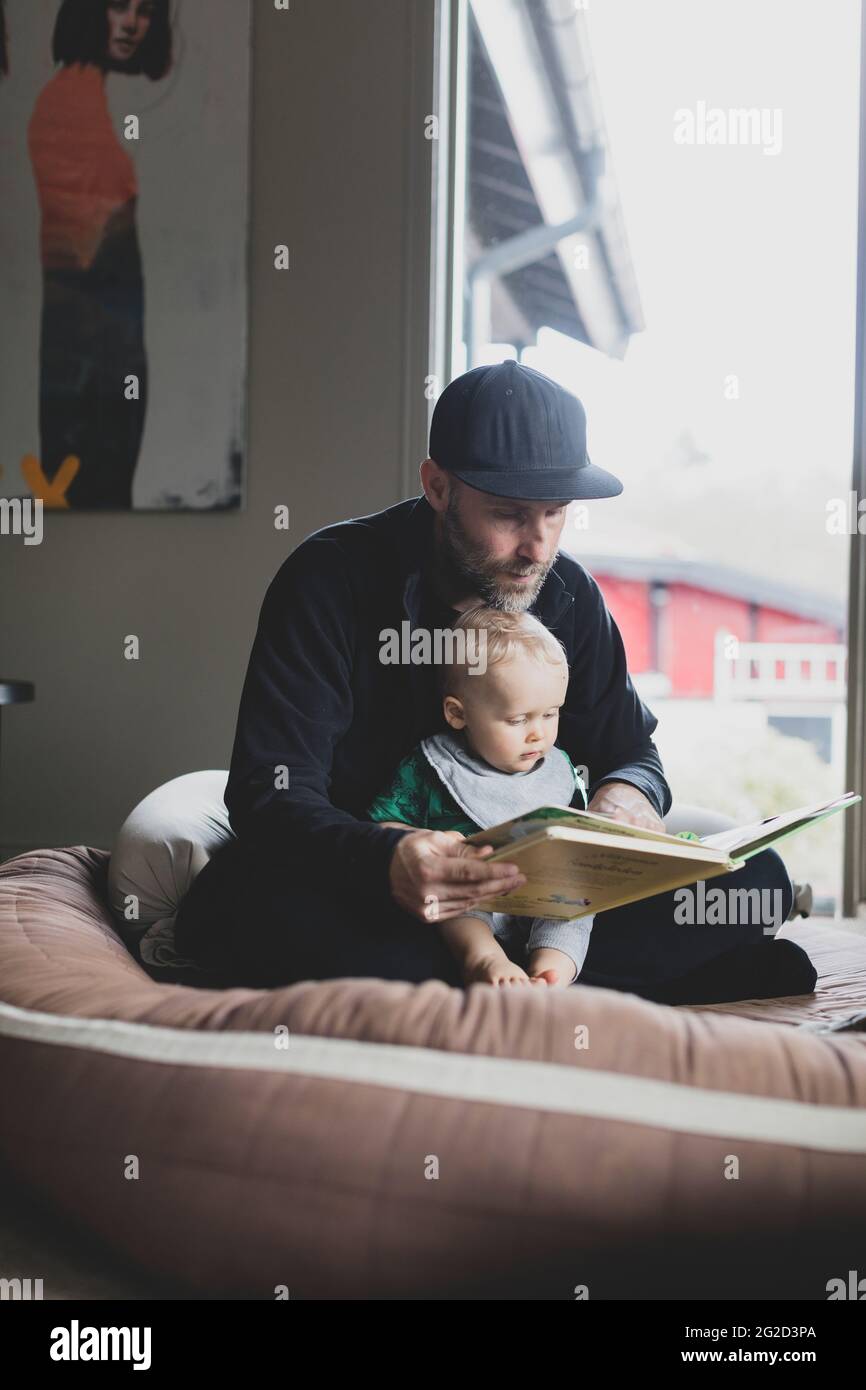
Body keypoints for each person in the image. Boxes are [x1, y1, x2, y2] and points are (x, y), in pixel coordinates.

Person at [174, 360, 816, 1003]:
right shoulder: (329, 580)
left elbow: (633, 753)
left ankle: (511, 975)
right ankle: (622, 981)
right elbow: (268, 794)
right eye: (509, 515)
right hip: (376, 893)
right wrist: (383, 860)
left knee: (758, 882)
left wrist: (625, 800)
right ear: (437, 487)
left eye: (555, 514)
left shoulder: (568, 595)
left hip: (546, 908)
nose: (537, 547)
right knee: (236, 909)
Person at [366, 605, 596, 988]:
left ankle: (551, 970)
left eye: (550, 714)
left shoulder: (560, 768)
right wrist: (423, 843)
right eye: (518, 720)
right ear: (458, 714)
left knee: (578, 902)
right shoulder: (432, 766)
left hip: (545, 889)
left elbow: (580, 832)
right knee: (456, 900)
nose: (538, 734)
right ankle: (483, 959)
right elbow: (382, 824)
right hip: (473, 889)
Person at [27, 0, 173, 509]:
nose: (132, 23)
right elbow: (86, 244)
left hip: (107, 342)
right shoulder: (70, 103)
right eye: (117, 6)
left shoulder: (98, 99)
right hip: (88, 347)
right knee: (93, 486)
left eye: (146, 10)